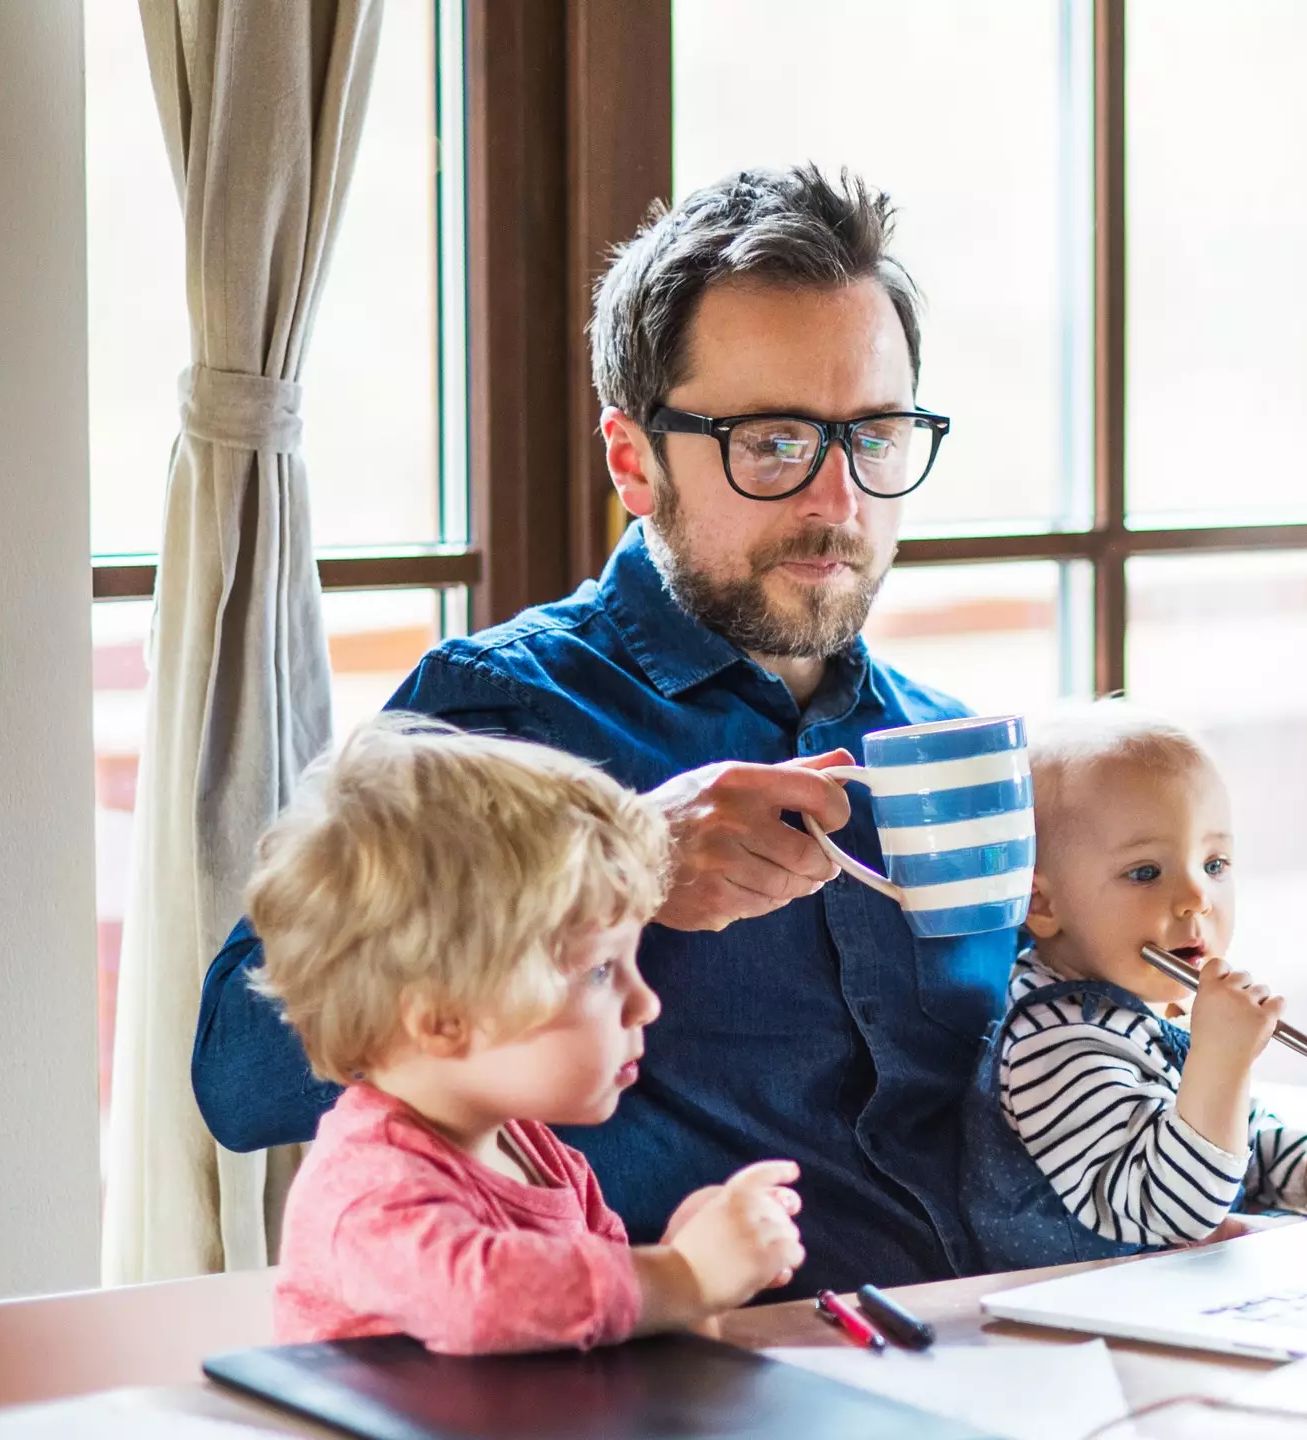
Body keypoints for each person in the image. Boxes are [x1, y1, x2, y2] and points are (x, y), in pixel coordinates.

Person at [193, 165, 1010, 1294]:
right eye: (773, 442)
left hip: (1004, 1348)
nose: (840, 501)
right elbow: (238, 1076)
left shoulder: (948, 743)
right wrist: (616, 864)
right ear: (634, 461)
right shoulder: (500, 715)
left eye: (873, 435)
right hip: (677, 1373)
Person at [255, 717, 804, 1353]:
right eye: (600, 970)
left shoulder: (539, 1156)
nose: (647, 1003)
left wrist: (694, 1264)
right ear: (441, 1017)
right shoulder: (367, 1187)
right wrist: (681, 1276)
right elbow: (482, 1301)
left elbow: (587, 1324)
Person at [961, 702, 1307, 1272]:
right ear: (1041, 902)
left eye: (1214, 863)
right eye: (1145, 872)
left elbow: (1236, 1129)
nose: (1197, 898)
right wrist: (1221, 1059)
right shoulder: (1054, 1045)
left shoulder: (1129, 1013)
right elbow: (1179, 1211)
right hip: (1073, 1323)